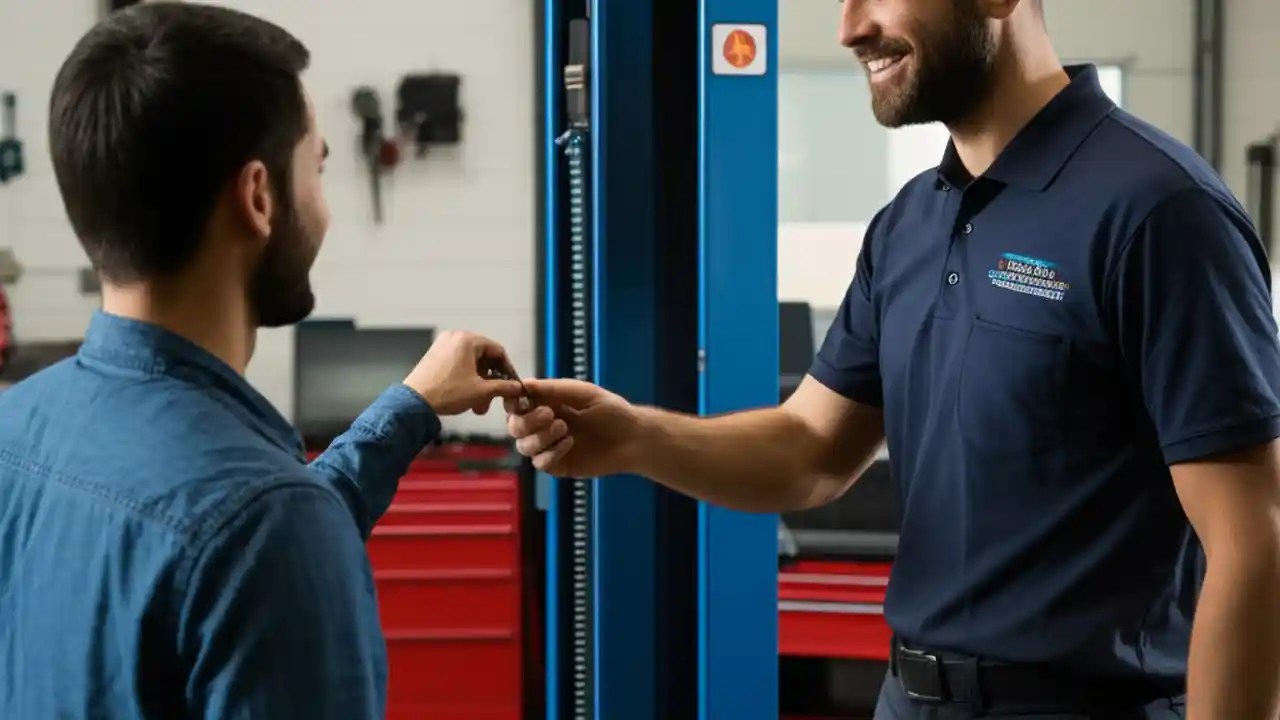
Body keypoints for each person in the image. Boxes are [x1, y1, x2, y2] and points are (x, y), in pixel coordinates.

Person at [507, 0, 1280, 718]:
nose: (849, 27)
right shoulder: (909, 222)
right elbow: (811, 451)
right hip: (910, 699)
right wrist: (638, 437)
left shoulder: (1157, 209)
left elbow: (1253, 538)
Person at [0, 4, 523, 718]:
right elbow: (249, 540)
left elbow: (219, 549)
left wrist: (411, 410)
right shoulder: (265, 525)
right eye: (318, 167)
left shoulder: (17, 426)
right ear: (258, 196)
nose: (325, 203)